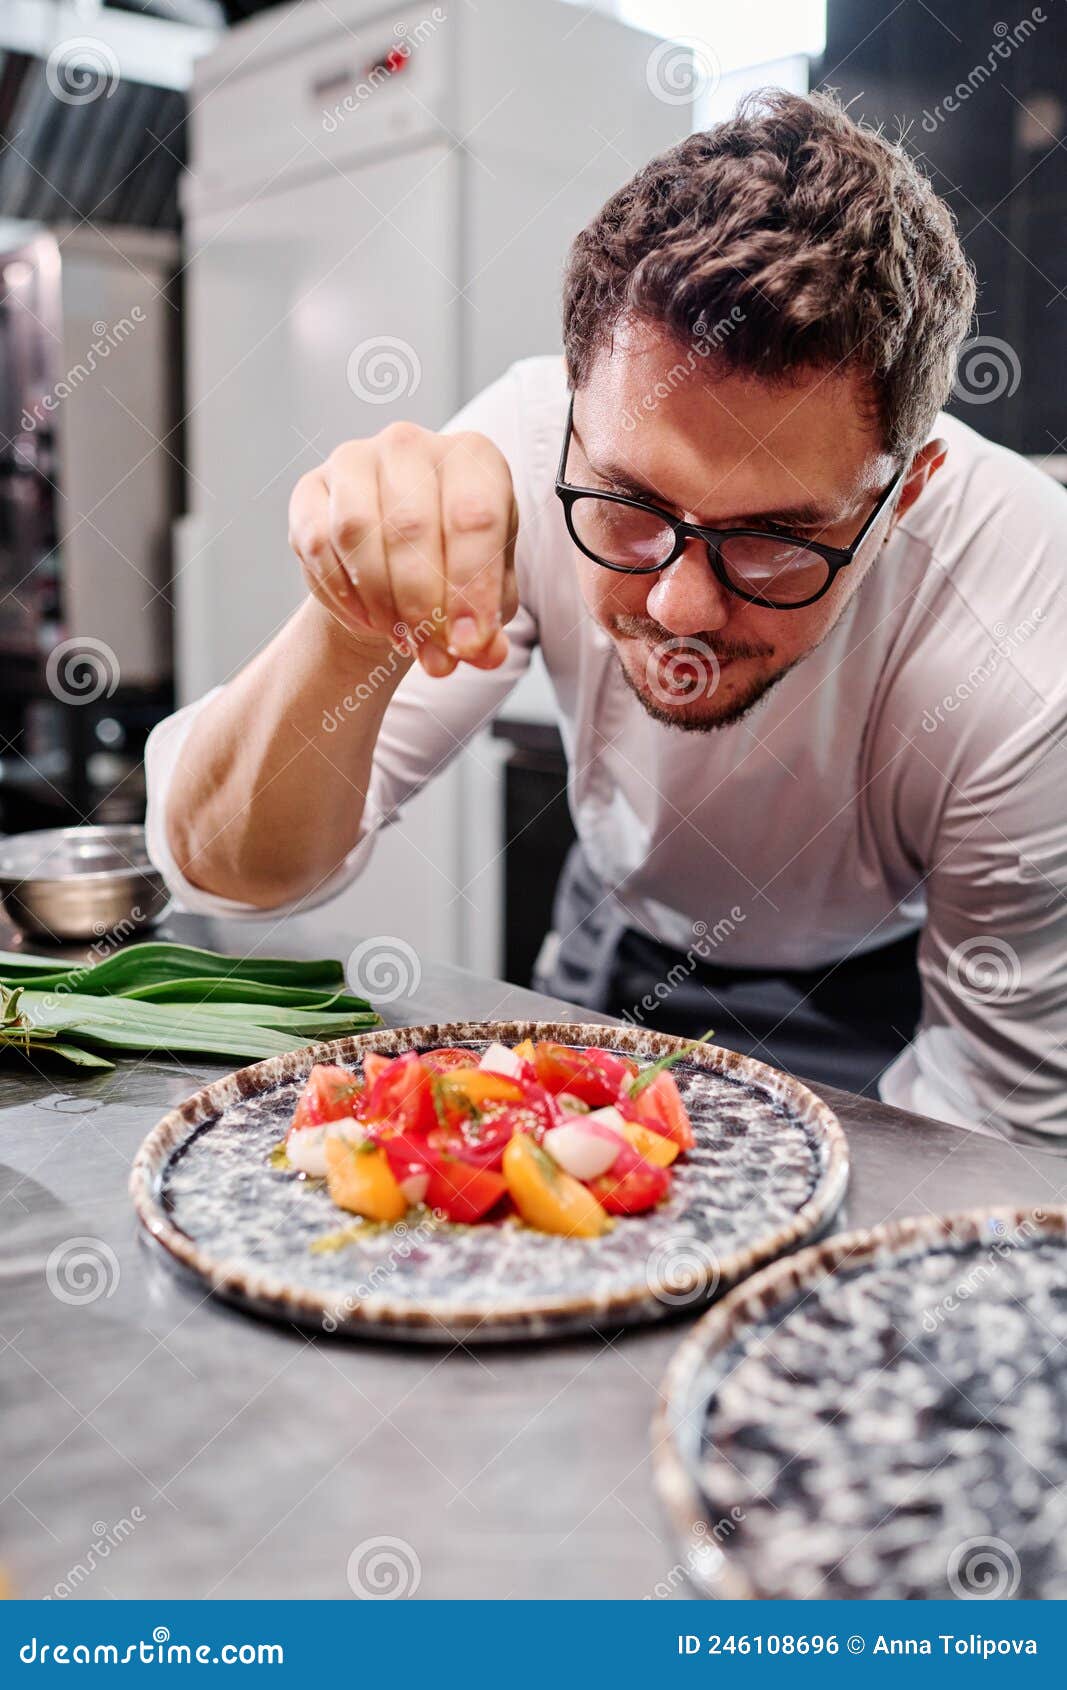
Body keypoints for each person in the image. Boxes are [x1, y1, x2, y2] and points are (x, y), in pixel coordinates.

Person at [146, 90, 1067, 1137]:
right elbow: (229, 874)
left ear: (902, 493)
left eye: (774, 540)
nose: (680, 606)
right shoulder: (522, 450)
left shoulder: (1028, 631)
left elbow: (1001, 1138)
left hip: (884, 999)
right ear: (569, 416)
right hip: (614, 936)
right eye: (630, 507)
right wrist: (347, 624)